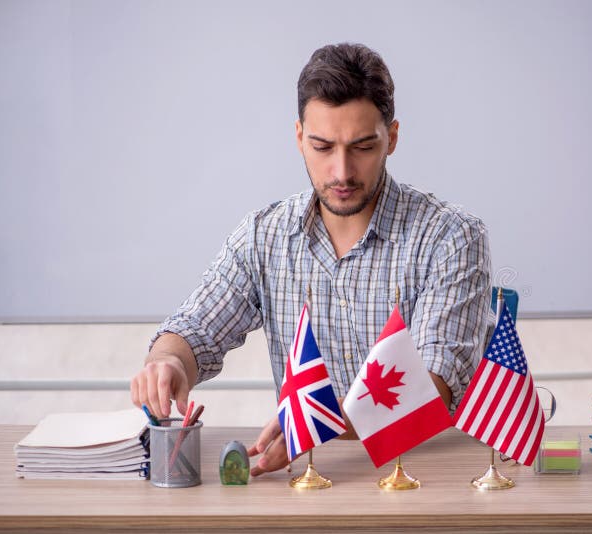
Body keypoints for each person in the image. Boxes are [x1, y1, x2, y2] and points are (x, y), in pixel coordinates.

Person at [130, 42, 492, 477]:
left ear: (392, 138)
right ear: (299, 137)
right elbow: (194, 330)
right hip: (312, 478)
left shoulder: (451, 237)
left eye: (362, 147)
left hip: (435, 476)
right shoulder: (264, 235)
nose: (341, 172)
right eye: (322, 147)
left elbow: (431, 386)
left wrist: (313, 424)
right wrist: (168, 361)